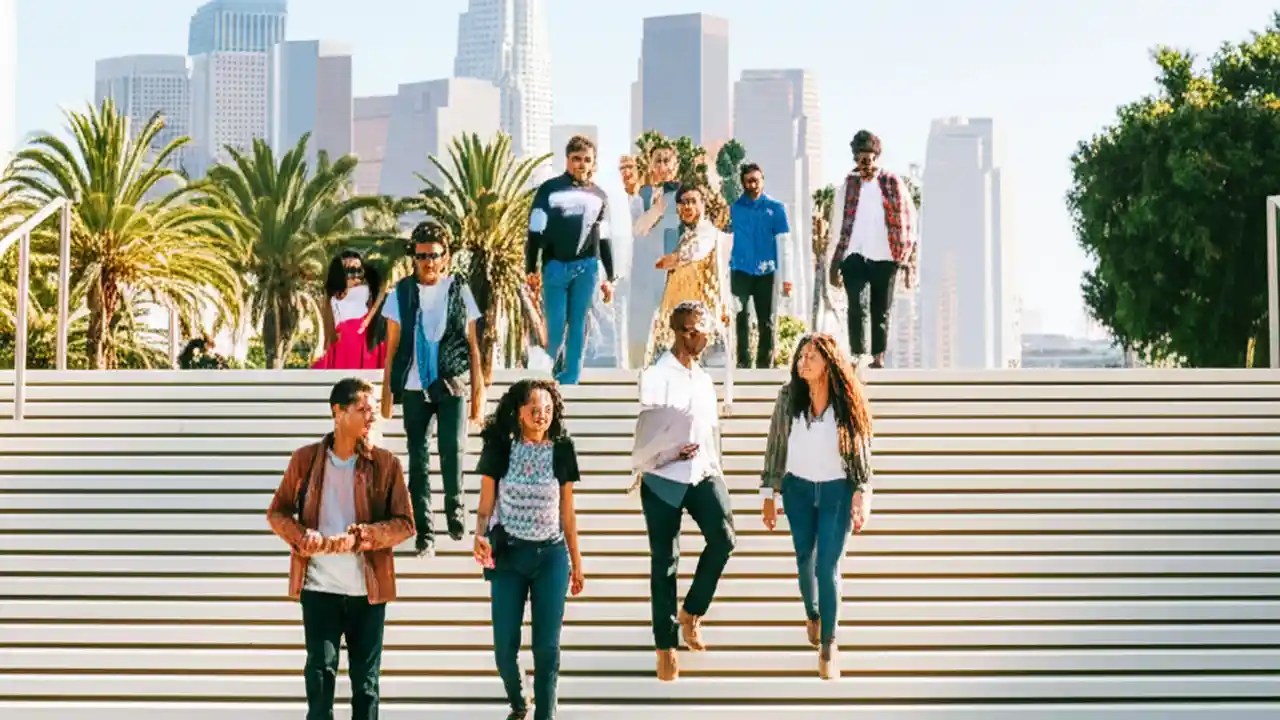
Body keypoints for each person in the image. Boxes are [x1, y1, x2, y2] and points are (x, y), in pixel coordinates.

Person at [266, 377, 415, 720]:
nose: (370, 417)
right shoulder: (305, 460)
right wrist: (302, 537)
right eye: (362, 409)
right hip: (319, 589)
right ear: (338, 412)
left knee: (366, 687)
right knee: (319, 680)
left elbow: (405, 523)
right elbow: (277, 512)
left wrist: (361, 537)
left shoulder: (386, 464)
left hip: (368, 592)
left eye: (373, 410)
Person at [631, 302, 737, 682]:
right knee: (665, 563)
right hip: (662, 477)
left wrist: (716, 470)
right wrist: (672, 450)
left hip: (702, 472)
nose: (705, 336)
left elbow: (710, 432)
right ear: (684, 333)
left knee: (724, 539)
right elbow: (648, 432)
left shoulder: (704, 380)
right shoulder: (657, 375)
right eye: (699, 330)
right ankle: (666, 647)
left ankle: (692, 611)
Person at [759, 333, 875, 680]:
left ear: (828, 362)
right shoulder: (788, 398)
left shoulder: (846, 400)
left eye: (811, 356)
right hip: (797, 490)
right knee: (804, 559)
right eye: (801, 356)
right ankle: (812, 613)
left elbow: (860, 450)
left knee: (828, 567)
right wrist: (769, 493)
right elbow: (775, 446)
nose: (803, 361)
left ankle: (828, 646)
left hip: (836, 492)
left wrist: (862, 492)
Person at [473, 379, 585, 720]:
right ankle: (519, 701)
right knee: (504, 650)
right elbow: (485, 507)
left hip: (551, 557)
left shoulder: (563, 449)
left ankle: (545, 715)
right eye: (534, 410)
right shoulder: (499, 448)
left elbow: (567, 513)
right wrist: (478, 536)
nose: (541, 416)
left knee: (546, 649)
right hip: (508, 556)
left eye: (548, 410)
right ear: (518, 411)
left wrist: (577, 563)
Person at [380, 219, 484, 558]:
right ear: (414, 257)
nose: (428, 262)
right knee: (418, 458)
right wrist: (386, 394)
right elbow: (392, 347)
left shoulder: (460, 289)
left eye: (434, 255)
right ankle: (424, 531)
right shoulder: (401, 293)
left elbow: (473, 345)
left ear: (446, 257)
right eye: (421, 255)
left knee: (452, 450)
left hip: (452, 381)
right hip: (413, 385)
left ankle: (455, 510)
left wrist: (478, 399)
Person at [526, 134, 616, 385]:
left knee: (578, 324)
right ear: (567, 160)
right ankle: (548, 379)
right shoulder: (550, 190)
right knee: (555, 324)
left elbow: (605, 238)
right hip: (555, 266)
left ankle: (570, 381)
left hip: (586, 268)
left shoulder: (600, 196)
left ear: (594, 163)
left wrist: (610, 277)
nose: (581, 165)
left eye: (587, 160)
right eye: (576, 159)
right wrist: (530, 268)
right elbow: (535, 231)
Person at [826, 129, 919, 368]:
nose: (866, 163)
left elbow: (908, 218)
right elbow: (837, 224)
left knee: (881, 308)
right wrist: (834, 261)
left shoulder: (891, 182)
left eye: (869, 158)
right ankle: (858, 354)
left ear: (877, 157)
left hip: (886, 255)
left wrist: (906, 257)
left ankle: (878, 356)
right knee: (856, 305)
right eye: (860, 158)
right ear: (855, 159)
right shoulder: (848, 185)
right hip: (854, 254)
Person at [644, 185, 734, 370]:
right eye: (683, 203)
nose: (688, 207)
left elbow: (689, 254)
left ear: (703, 204)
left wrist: (662, 262)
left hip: (701, 318)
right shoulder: (685, 236)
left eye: (693, 202)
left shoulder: (708, 233)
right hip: (681, 316)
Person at [729, 162, 793, 369]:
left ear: (762, 180)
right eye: (748, 181)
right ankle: (743, 361)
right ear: (743, 184)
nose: (753, 185)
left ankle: (765, 363)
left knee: (767, 319)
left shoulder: (775, 209)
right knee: (740, 317)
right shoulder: (734, 209)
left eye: (756, 180)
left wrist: (787, 278)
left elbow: (784, 244)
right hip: (740, 270)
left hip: (766, 271)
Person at [625, 144, 681, 368]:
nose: (662, 166)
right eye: (657, 160)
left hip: (675, 267)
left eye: (667, 161)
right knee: (640, 323)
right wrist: (659, 206)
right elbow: (638, 228)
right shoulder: (642, 195)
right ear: (650, 165)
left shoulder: (684, 195)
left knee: (674, 321)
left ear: (675, 166)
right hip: (645, 267)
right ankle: (637, 370)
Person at [313, 250, 387, 370]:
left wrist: (367, 320)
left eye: (359, 270)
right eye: (351, 271)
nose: (356, 275)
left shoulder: (365, 290)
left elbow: (380, 292)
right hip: (341, 341)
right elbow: (329, 328)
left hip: (359, 338)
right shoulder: (331, 296)